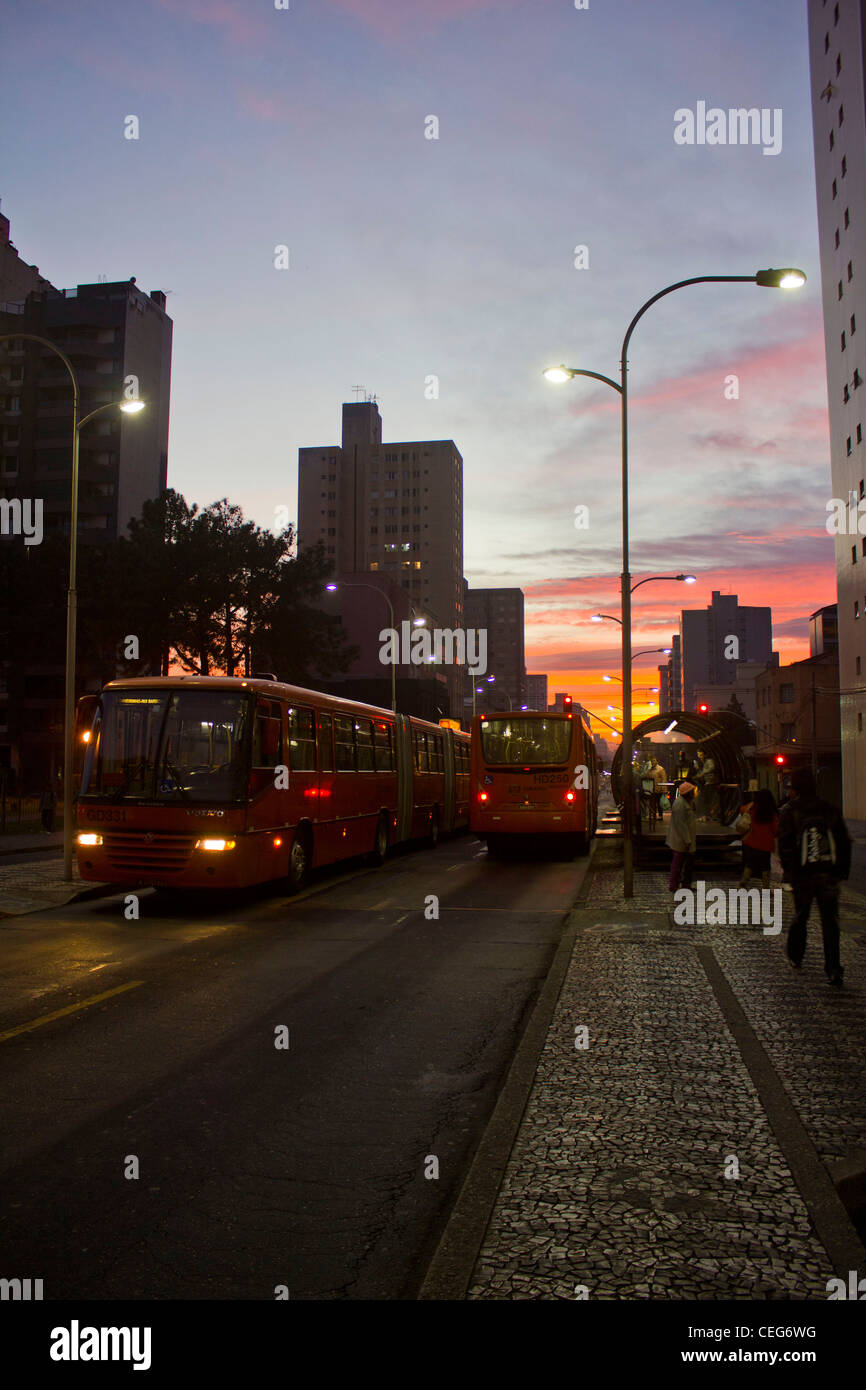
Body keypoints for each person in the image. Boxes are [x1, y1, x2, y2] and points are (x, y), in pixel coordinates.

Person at [777, 768, 851, 987]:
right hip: (828, 874)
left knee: (801, 915)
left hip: (803, 876)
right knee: (830, 922)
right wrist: (840, 872)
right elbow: (843, 842)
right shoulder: (829, 809)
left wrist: (789, 873)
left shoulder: (790, 811)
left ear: (795, 789)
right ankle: (833, 969)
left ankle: (796, 955)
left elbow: (785, 845)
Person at [737, 787, 778, 889]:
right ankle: (766, 886)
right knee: (765, 866)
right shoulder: (771, 813)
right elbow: (775, 829)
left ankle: (744, 881)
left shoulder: (753, 810)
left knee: (750, 863)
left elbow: (742, 810)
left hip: (752, 841)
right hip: (766, 844)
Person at [666, 781, 697, 891]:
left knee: (687, 864)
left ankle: (685, 884)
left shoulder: (686, 802)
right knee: (678, 864)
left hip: (686, 839)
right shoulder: (680, 804)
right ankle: (674, 885)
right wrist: (687, 840)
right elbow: (681, 825)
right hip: (681, 841)